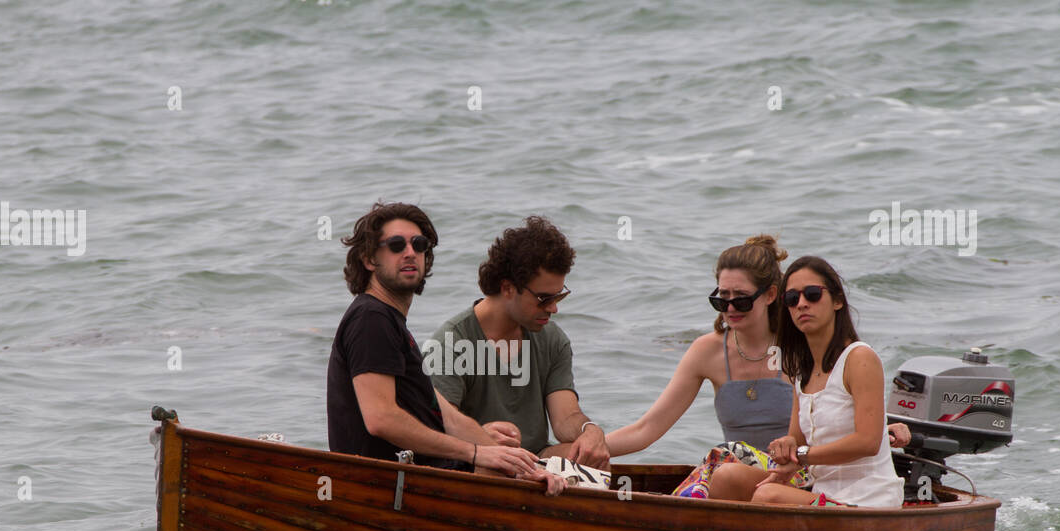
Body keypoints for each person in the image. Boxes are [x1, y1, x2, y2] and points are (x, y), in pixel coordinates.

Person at [326, 202, 564, 494]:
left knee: (512, 465)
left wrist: (516, 461)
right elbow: (381, 419)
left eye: (419, 244)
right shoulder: (370, 319)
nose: (410, 252)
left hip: (418, 480)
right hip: (383, 490)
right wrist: (475, 453)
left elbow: (445, 414)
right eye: (396, 245)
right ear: (368, 259)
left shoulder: (390, 323)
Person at [710, 256, 906, 508]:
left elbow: (868, 442)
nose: (801, 304)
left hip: (867, 501)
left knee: (768, 496)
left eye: (812, 294)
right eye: (792, 299)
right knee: (727, 476)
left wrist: (802, 456)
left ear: (836, 301)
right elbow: (796, 441)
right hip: (821, 492)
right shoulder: (801, 370)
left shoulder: (859, 358)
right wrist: (785, 449)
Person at [427, 216, 610, 467]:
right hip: (476, 463)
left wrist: (590, 431)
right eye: (544, 298)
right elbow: (437, 428)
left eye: (560, 296)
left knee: (593, 462)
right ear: (508, 288)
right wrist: (482, 438)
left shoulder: (553, 340)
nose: (554, 308)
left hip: (535, 459)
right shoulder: (450, 343)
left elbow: (565, 418)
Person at [606, 235, 792, 463]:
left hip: (792, 474)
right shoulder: (707, 350)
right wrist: (583, 448)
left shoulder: (799, 347)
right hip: (734, 473)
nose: (730, 308)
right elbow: (646, 430)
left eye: (741, 299)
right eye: (722, 299)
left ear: (770, 295)